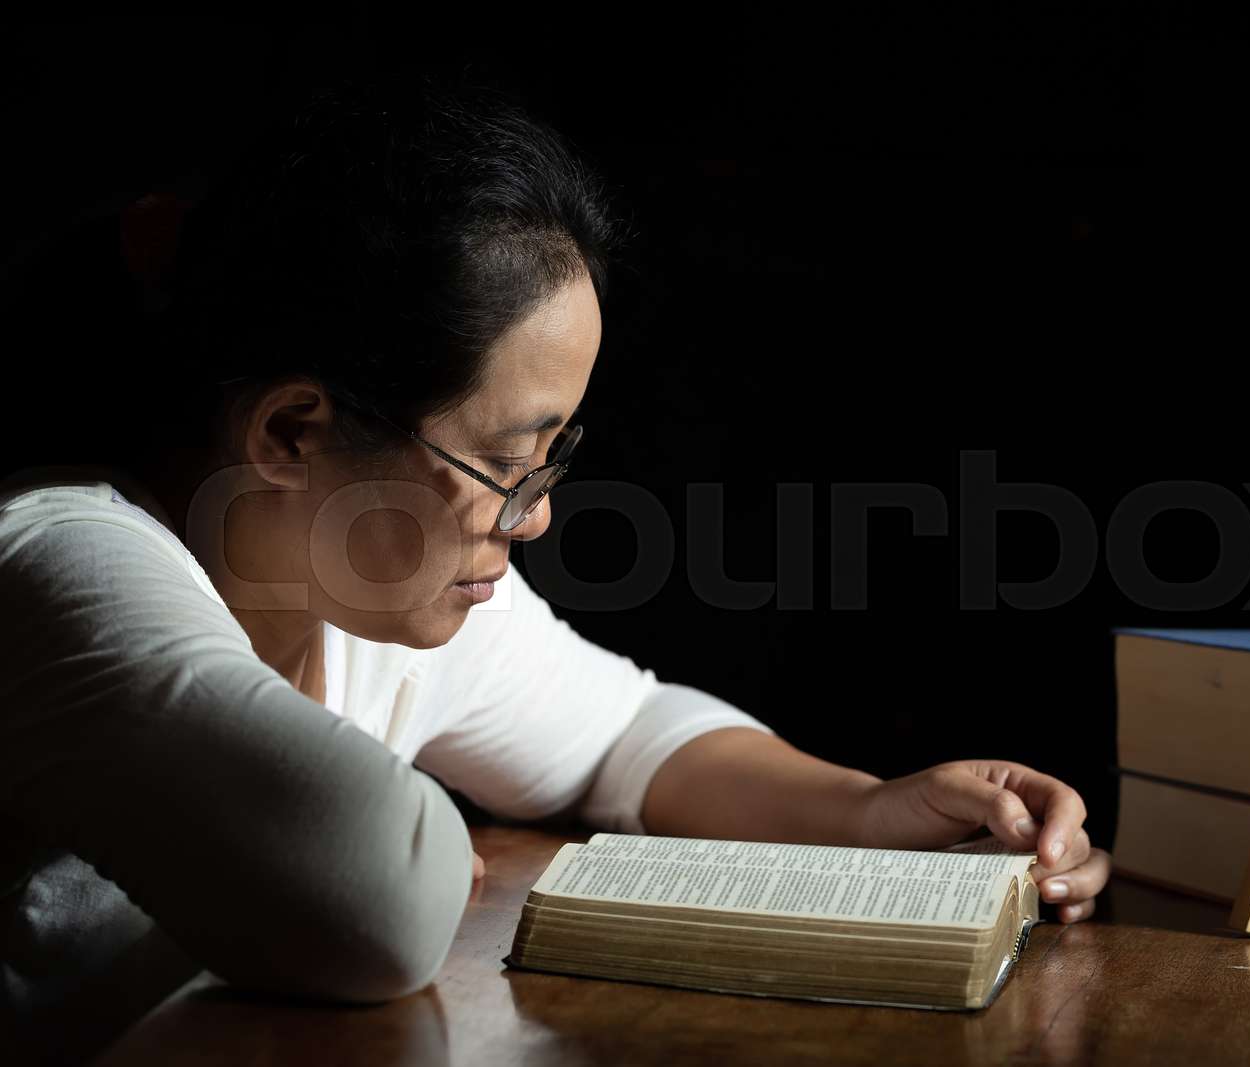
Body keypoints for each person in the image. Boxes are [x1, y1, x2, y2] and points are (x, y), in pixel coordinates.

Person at [0, 71, 1110, 1054]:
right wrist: (415, 843)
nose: (530, 521)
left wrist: (879, 809)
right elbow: (379, 890)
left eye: (551, 457)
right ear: (291, 431)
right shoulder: (59, 563)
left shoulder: (366, 594)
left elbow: (627, 736)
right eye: (502, 462)